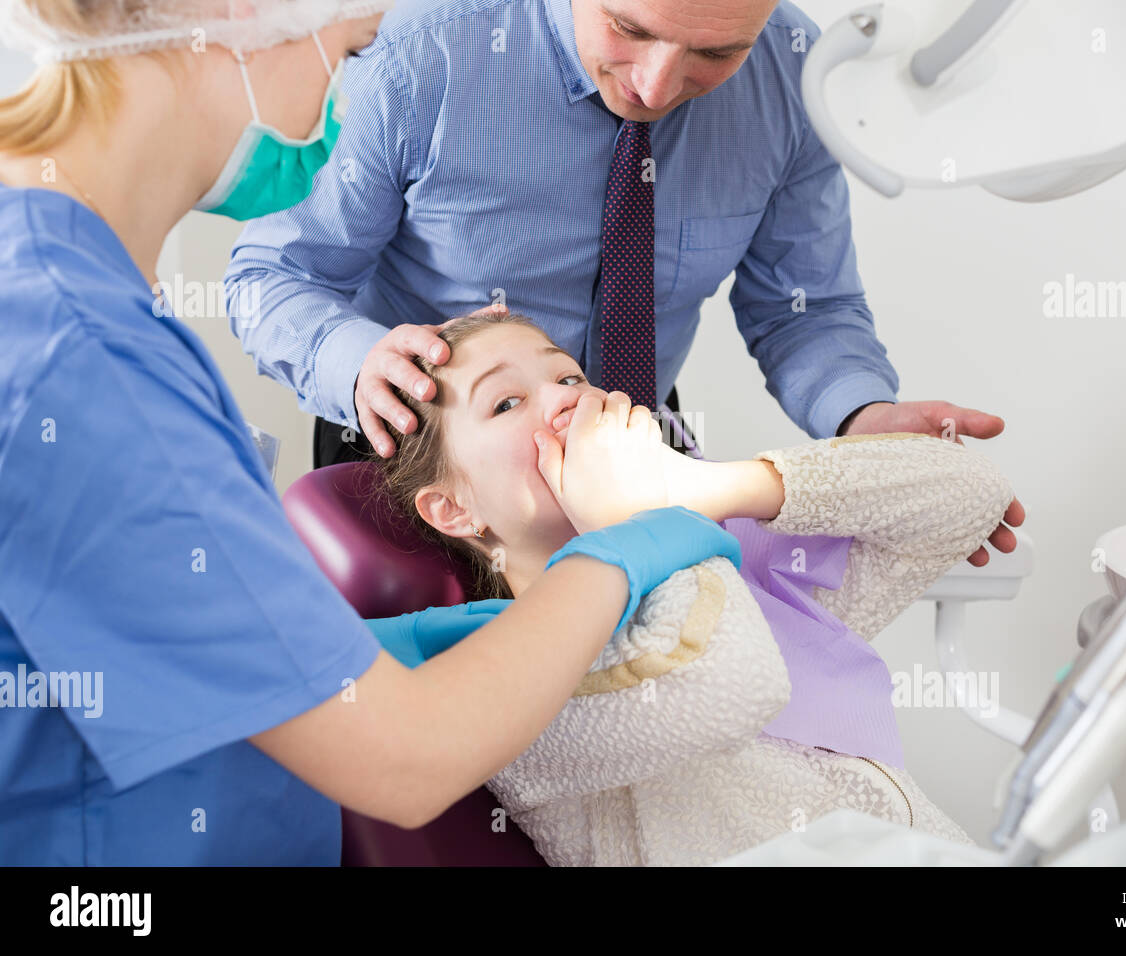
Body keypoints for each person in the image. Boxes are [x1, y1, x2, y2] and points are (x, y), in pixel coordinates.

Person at [0, 0, 739, 865]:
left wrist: (391, 647)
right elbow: (404, 760)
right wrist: (628, 547)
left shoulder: (62, 294)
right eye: (353, 50)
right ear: (241, 19)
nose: (346, 105)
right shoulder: (81, 355)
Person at [221, 0, 1027, 537]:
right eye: (631, 29)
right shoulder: (416, 55)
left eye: (714, 52)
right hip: (426, 459)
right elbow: (273, 274)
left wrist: (863, 420)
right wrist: (356, 362)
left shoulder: (795, 73)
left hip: (637, 444)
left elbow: (802, 309)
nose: (655, 85)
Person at [361, 309, 1023, 864]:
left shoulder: (734, 569)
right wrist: (641, 523)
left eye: (569, 375)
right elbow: (737, 683)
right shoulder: (519, 678)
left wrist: (699, 488)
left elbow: (972, 493)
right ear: (454, 510)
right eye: (507, 403)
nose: (567, 398)